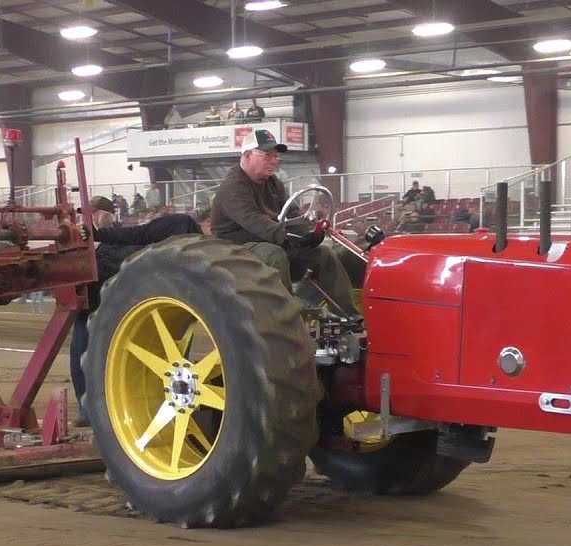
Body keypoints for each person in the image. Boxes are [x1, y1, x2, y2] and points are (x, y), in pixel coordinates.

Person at [70, 195, 203, 426]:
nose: (87, 218)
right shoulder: (95, 240)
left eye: (92, 213)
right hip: (90, 307)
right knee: (83, 355)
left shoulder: (125, 239)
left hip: (110, 309)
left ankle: (105, 410)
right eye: (86, 214)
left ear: (107, 215)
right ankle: (87, 410)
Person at [209, 129, 358, 315]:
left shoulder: (273, 184)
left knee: (322, 254)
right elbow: (255, 221)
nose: (274, 160)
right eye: (267, 155)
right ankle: (288, 318)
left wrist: (309, 233)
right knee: (274, 254)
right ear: (247, 156)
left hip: (268, 240)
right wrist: (287, 236)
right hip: (235, 250)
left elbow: (294, 214)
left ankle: (348, 316)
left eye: (275, 155)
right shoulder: (232, 187)